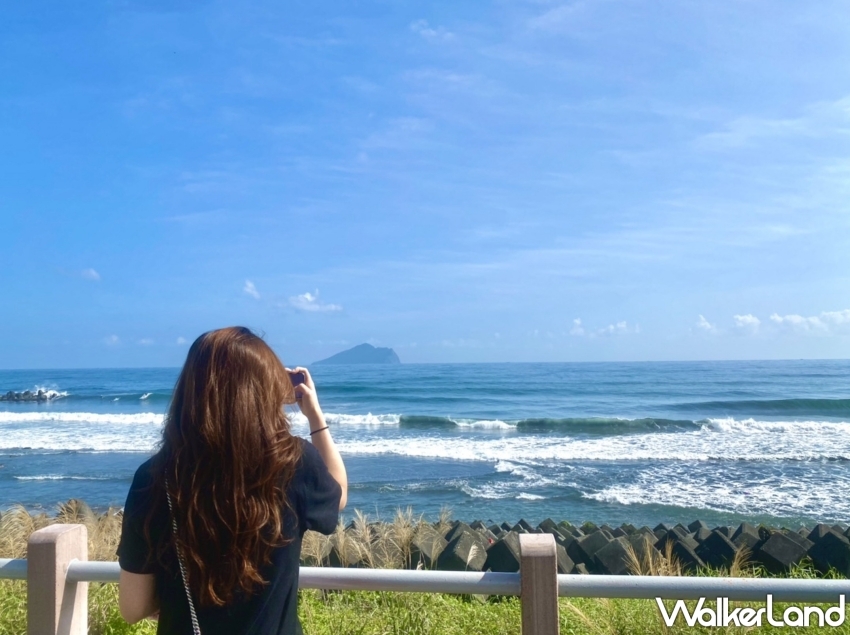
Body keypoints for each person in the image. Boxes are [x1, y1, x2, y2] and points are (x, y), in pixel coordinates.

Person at [117, 327, 347, 634]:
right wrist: (315, 416)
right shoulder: (294, 462)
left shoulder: (154, 477)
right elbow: (338, 496)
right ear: (264, 391)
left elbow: (133, 608)